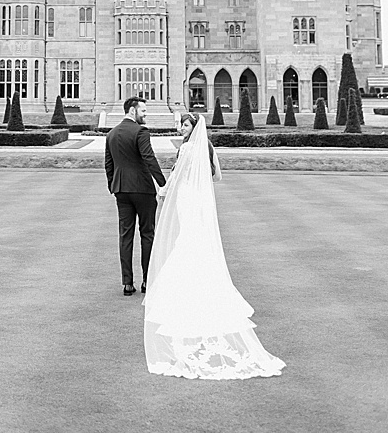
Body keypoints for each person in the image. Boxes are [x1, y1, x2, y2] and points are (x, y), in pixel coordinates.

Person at [143, 112, 285, 379]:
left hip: (186, 196)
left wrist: (164, 191)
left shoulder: (186, 148)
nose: (182, 128)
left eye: (185, 125)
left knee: (186, 236)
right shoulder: (208, 147)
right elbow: (217, 177)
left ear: (192, 127)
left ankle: (188, 277)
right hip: (201, 198)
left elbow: (175, 178)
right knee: (197, 235)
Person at [104, 96, 166, 296]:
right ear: (133, 111)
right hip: (143, 189)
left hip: (121, 190)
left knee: (125, 236)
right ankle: (147, 281)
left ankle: (127, 283)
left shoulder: (112, 134)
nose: (145, 114)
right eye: (143, 111)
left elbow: (109, 165)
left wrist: (113, 186)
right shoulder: (141, 131)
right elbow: (149, 158)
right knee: (147, 234)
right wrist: (164, 183)